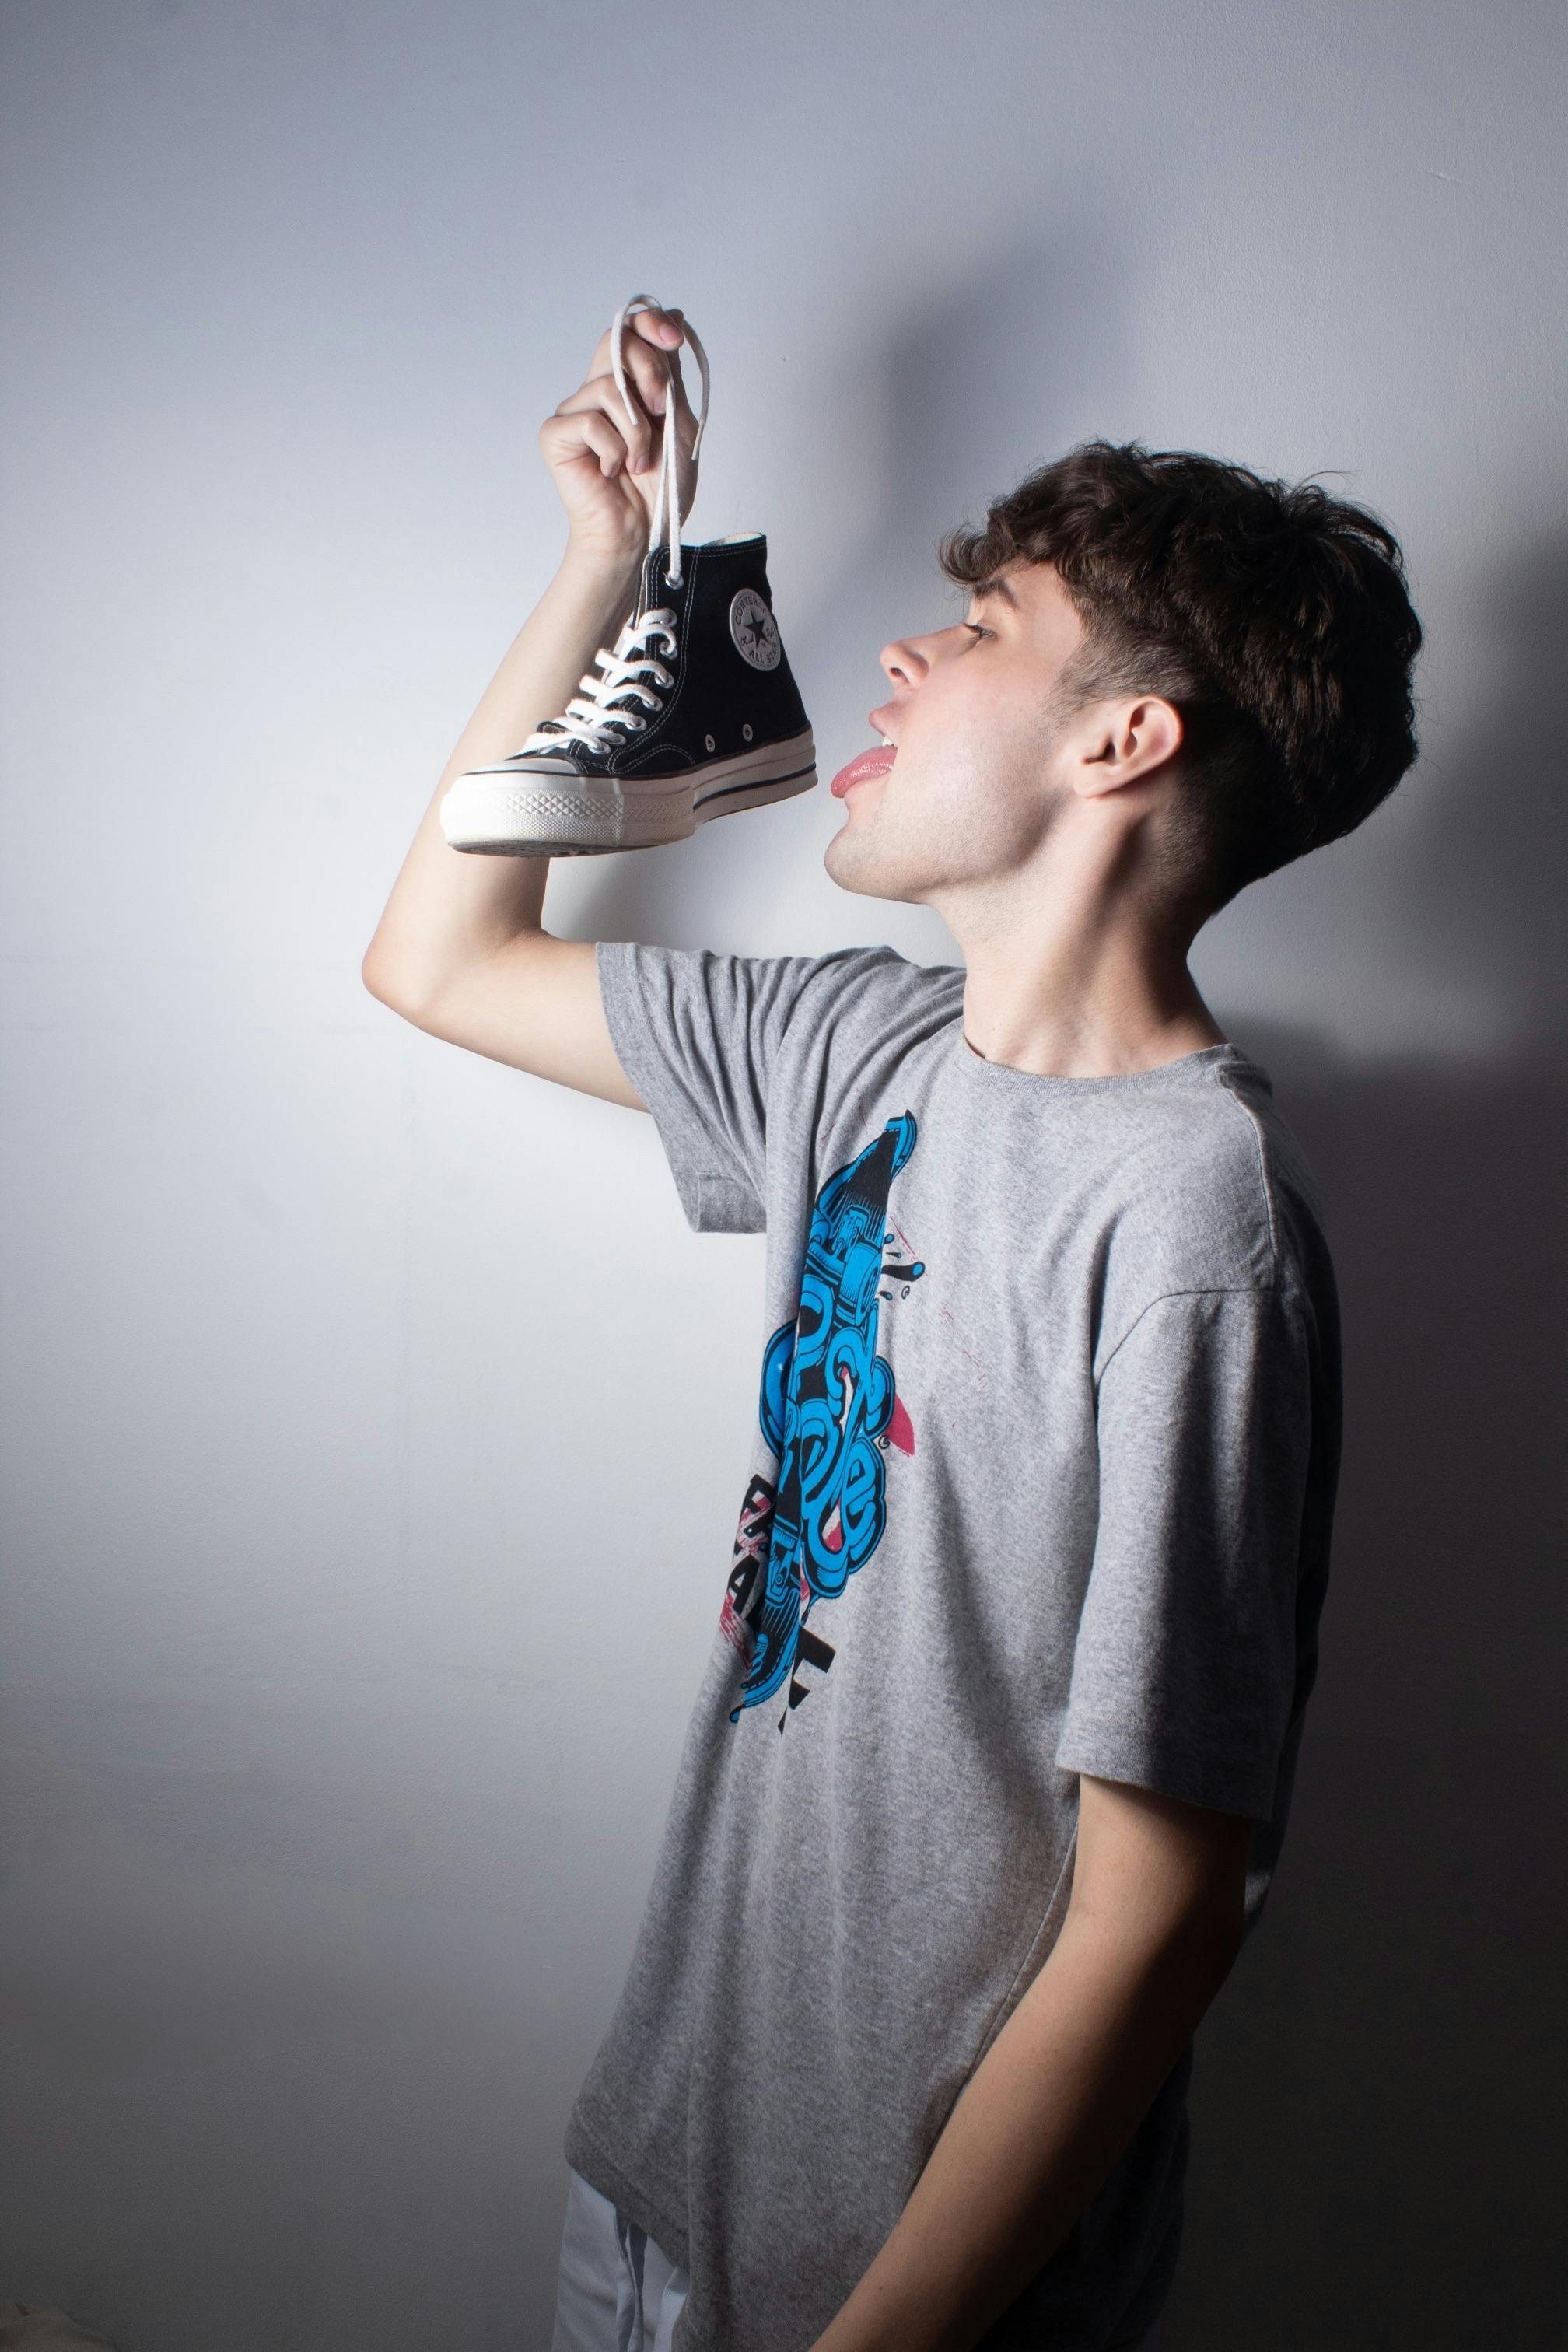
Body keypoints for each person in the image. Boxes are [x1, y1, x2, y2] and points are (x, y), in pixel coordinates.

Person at [361, 303, 1423, 2352]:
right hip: (656, 2174)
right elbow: (440, 953)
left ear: (1124, 742)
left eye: (987, 623)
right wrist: (603, 570)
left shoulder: (1195, 1222)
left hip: (907, 2282)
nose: (905, 654)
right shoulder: (857, 1046)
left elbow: (1162, 1909)